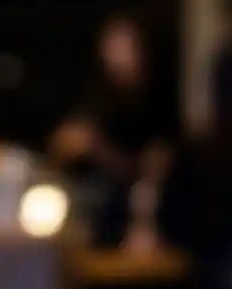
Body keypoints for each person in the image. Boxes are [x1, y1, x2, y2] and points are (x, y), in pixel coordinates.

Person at [50, 13, 177, 246]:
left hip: (135, 210)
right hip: (87, 202)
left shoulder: (157, 103)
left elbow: (147, 173)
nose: (115, 55)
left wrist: (97, 149)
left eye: (123, 46)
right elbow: (65, 149)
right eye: (110, 46)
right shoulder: (95, 96)